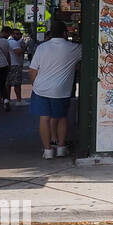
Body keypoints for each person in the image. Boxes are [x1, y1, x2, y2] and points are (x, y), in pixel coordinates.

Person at [29, 20, 82, 158]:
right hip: (61, 90)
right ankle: (61, 148)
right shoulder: (75, 48)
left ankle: (47, 151)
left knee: (44, 118)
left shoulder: (42, 48)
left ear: (51, 33)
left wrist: (35, 85)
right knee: (62, 118)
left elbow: (33, 69)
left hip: (41, 89)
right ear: (65, 33)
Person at [7, 27, 26, 105]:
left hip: (10, 64)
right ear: (12, 34)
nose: (19, 36)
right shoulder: (14, 42)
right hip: (15, 65)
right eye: (17, 34)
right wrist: (23, 47)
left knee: (8, 83)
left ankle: (8, 99)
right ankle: (19, 100)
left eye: (20, 34)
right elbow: (18, 52)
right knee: (17, 84)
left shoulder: (9, 42)